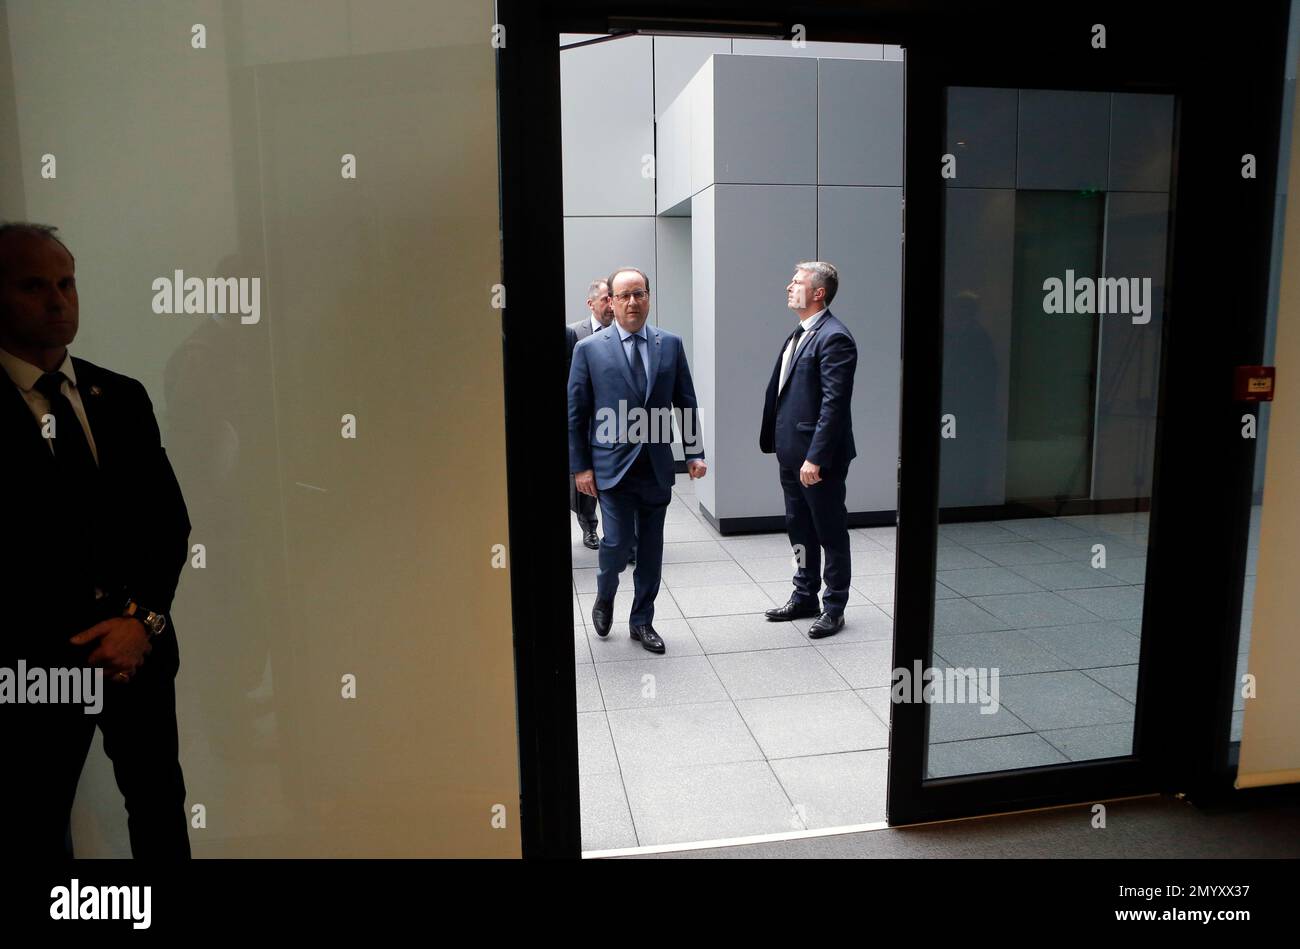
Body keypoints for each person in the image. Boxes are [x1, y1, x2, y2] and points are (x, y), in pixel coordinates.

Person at [0, 222, 192, 857]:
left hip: (136, 647)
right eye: (34, 286)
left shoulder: (122, 396)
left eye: (66, 283)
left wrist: (140, 619)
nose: (58, 300)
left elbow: (166, 523)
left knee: (160, 810)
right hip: (32, 663)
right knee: (33, 819)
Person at [568, 266, 705, 653]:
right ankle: (605, 593)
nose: (633, 302)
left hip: (656, 468)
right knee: (615, 544)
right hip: (611, 468)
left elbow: (686, 402)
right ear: (610, 301)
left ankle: (642, 620)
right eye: (624, 295)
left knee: (650, 549)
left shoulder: (671, 344)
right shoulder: (589, 349)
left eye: (639, 293)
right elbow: (576, 412)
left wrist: (694, 453)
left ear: (648, 297)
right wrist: (581, 466)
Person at [759, 261, 858, 638]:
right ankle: (804, 594)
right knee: (798, 528)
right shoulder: (799, 334)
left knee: (829, 530)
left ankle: (834, 606)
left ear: (819, 293)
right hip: (791, 455)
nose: (789, 286)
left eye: (797, 282)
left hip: (818, 460)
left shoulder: (835, 337)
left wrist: (815, 457)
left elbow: (834, 404)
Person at [567, 280, 612, 551]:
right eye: (606, 299)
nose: (610, 304)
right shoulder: (574, 334)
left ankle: (619, 535)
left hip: (612, 421)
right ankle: (589, 526)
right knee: (585, 483)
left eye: (612, 298)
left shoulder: (624, 332)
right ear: (591, 303)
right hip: (585, 420)